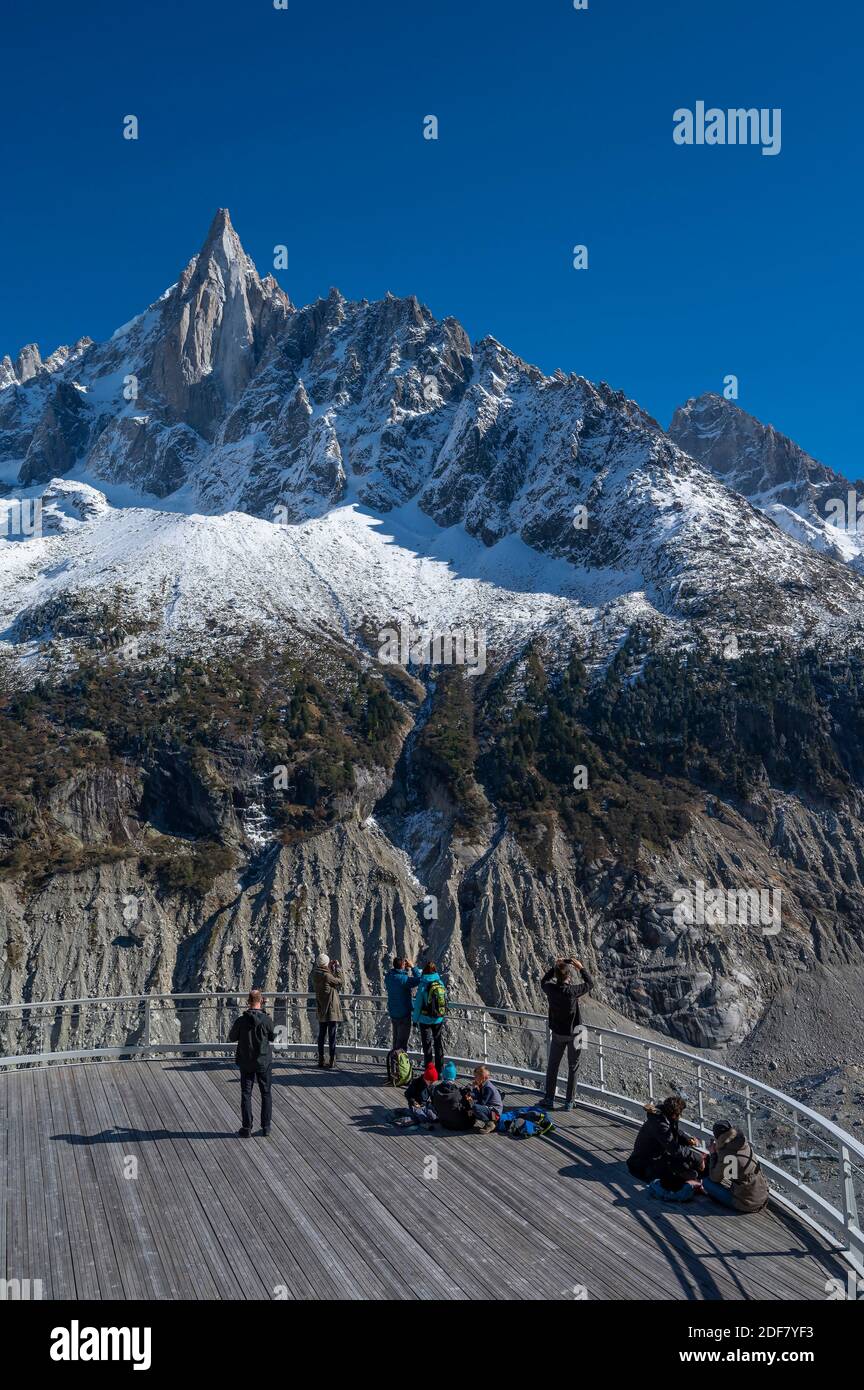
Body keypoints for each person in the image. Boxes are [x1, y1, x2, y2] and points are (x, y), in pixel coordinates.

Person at [540, 956, 593, 1111]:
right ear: (569, 976)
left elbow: (543, 981)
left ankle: (549, 1099)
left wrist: (555, 967)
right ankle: (569, 1102)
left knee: (553, 1066)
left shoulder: (551, 989)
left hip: (558, 1033)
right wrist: (581, 967)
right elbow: (590, 984)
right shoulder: (572, 991)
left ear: (557, 976)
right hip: (577, 1032)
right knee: (573, 1067)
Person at [626, 1096, 704, 1199]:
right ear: (674, 1114)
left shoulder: (663, 1115)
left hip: (655, 1156)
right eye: (679, 1114)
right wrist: (698, 1158)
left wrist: (686, 1139)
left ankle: (685, 1175)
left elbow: (673, 1131)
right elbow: (674, 1148)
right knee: (676, 1177)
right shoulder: (660, 1124)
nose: (680, 1116)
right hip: (643, 1164)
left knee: (685, 1164)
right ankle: (685, 1180)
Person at [228, 989, 276, 1138]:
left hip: (246, 1061)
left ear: (248, 1001)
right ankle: (266, 1127)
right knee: (266, 1093)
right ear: (261, 1000)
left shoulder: (241, 1021)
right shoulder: (266, 1020)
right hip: (263, 1061)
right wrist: (265, 1011)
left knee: (246, 1094)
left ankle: (246, 1127)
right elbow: (273, 1037)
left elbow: (232, 1037)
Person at [701, 1121, 769, 1213]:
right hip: (762, 1196)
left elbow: (715, 1178)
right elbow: (732, 1174)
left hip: (747, 1203)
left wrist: (713, 1154)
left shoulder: (728, 1156)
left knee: (706, 1182)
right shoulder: (743, 1144)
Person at [412, 960, 447, 1075]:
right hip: (438, 1019)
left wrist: (415, 1019)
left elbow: (417, 1005)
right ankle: (440, 1071)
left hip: (425, 1019)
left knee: (427, 1046)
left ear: (425, 971)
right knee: (438, 1044)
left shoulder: (423, 985)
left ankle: (429, 1072)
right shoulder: (440, 982)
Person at [312, 952, 344, 1069]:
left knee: (321, 1035)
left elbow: (326, 978)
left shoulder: (315, 974)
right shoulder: (327, 976)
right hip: (331, 1009)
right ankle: (332, 1060)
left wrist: (328, 968)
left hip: (321, 1007)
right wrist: (338, 968)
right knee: (332, 1035)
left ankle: (321, 1059)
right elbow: (340, 982)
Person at [384, 956, 422, 1050]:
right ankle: (400, 1063)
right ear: (402, 965)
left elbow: (395, 974)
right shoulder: (404, 980)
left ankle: (394, 1062)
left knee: (396, 1040)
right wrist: (413, 967)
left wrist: (403, 969)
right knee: (402, 1043)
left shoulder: (389, 976)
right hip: (404, 1015)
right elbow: (420, 979)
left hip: (393, 1013)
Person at [431, 1061, 475, 1132]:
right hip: (461, 1125)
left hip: (444, 1123)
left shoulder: (436, 1089)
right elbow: (466, 1105)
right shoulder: (458, 1092)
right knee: (471, 1106)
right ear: (454, 1076)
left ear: (443, 1075)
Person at [468, 1065, 503, 1134]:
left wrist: (475, 1089)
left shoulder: (488, 1088)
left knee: (475, 1107)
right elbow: (479, 1096)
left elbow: (482, 1102)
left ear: (482, 1078)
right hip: (490, 1109)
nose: (474, 1079)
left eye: (476, 1077)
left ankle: (490, 1123)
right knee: (473, 1105)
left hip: (494, 1113)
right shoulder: (483, 1084)